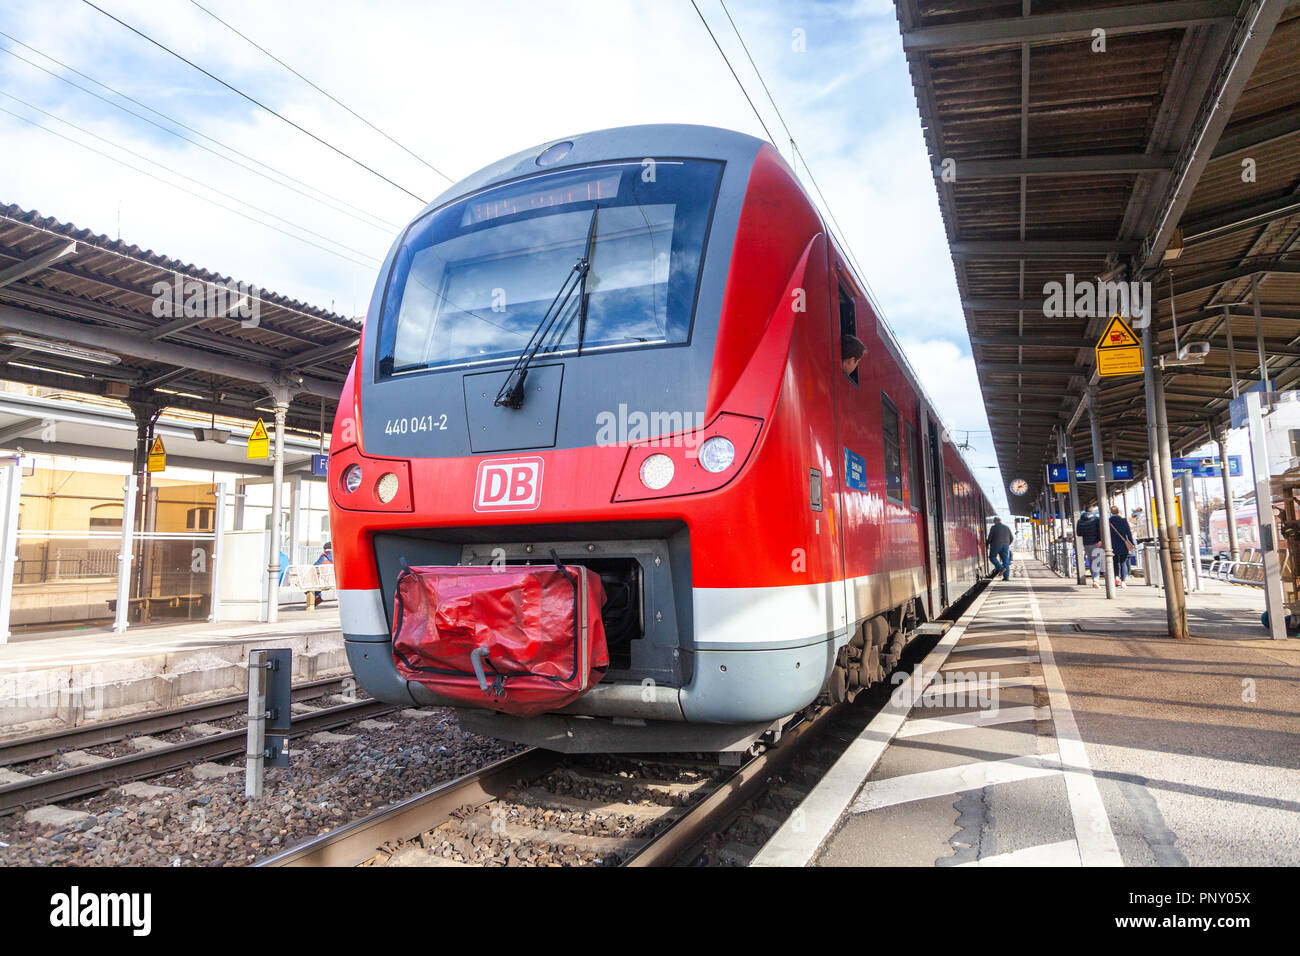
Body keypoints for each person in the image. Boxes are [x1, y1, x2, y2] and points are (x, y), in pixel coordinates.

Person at [1075, 505, 1105, 587]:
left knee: (1092, 562)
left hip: (1086, 543)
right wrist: (1100, 540)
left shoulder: (1080, 521)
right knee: (1097, 562)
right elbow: (1100, 531)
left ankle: (1094, 579)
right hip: (1096, 543)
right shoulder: (1096, 520)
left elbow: (1079, 533)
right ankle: (1096, 579)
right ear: (1092, 511)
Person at [1108, 505, 1135, 589]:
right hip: (1123, 544)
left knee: (1115, 562)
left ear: (1111, 512)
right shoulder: (1123, 521)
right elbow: (1128, 532)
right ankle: (1123, 581)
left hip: (1112, 544)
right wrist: (1131, 542)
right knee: (1123, 563)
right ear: (1118, 511)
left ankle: (1116, 577)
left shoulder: (1108, 521)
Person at [986, 516, 1013, 581]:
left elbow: (990, 538)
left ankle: (1001, 568)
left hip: (996, 545)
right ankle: (1006, 577)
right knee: (1005, 561)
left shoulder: (993, 528)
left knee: (992, 557)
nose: (994, 523)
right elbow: (1011, 538)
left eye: (994, 521)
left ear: (995, 521)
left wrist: (987, 544)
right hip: (1006, 546)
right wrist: (1007, 544)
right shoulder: (1006, 527)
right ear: (1000, 521)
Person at [309, 541, 333, 610]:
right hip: (336, 581)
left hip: (324, 581)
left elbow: (314, 567)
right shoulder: (338, 557)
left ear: (325, 549)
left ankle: (317, 596)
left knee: (313, 579)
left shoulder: (324, 557)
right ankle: (317, 596)